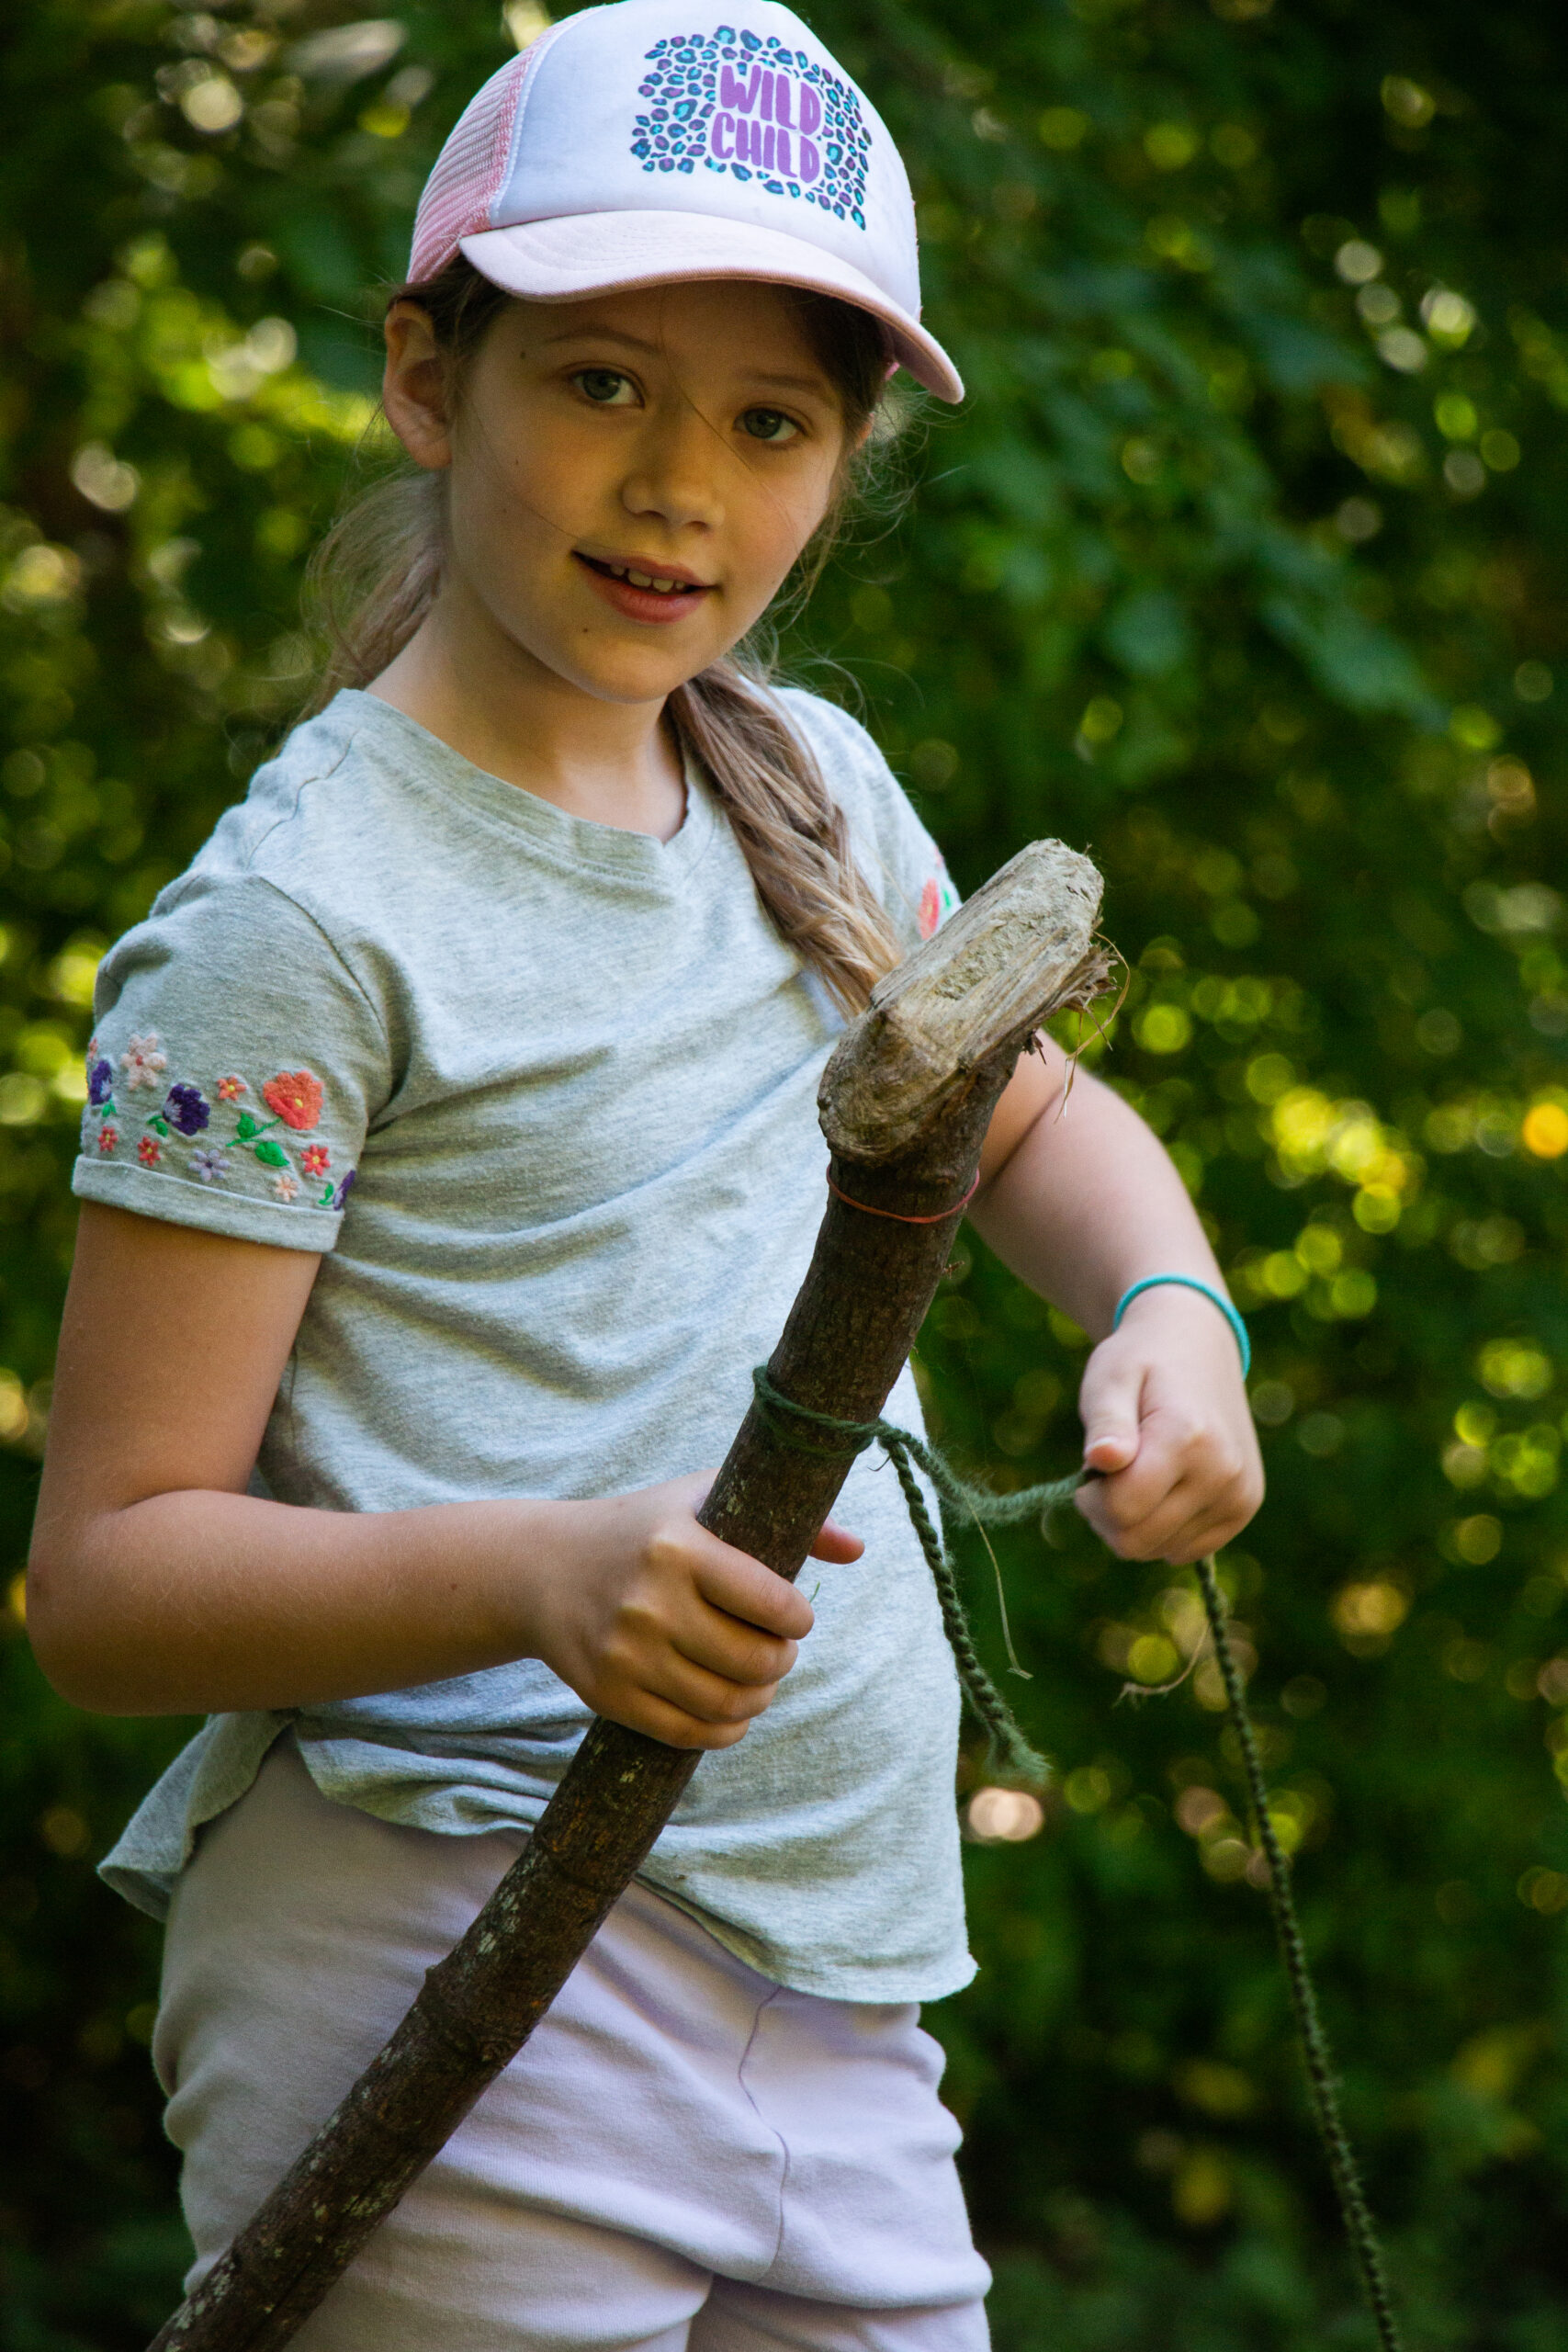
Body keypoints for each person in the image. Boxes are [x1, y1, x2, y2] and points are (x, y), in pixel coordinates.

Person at [26, 6, 1263, 2346]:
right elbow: (108, 1578)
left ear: (842, 458)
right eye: (598, 380)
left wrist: (1167, 1311)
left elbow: (1039, 1125)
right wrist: (546, 1575)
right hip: (431, 1948)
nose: (678, 481)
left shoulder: (811, 789)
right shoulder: (298, 925)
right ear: (427, 376)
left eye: (768, 420)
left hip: (833, 1975)